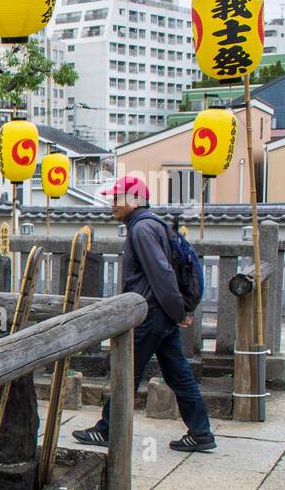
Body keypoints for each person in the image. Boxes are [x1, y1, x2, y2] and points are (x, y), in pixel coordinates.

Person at [72, 176, 216, 452]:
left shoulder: (142, 229)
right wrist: (177, 311)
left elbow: (162, 274)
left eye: (118, 198)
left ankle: (107, 430)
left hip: (150, 314)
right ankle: (201, 432)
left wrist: (178, 311)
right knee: (178, 374)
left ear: (136, 200)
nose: (112, 203)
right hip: (160, 313)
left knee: (127, 371)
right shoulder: (149, 225)